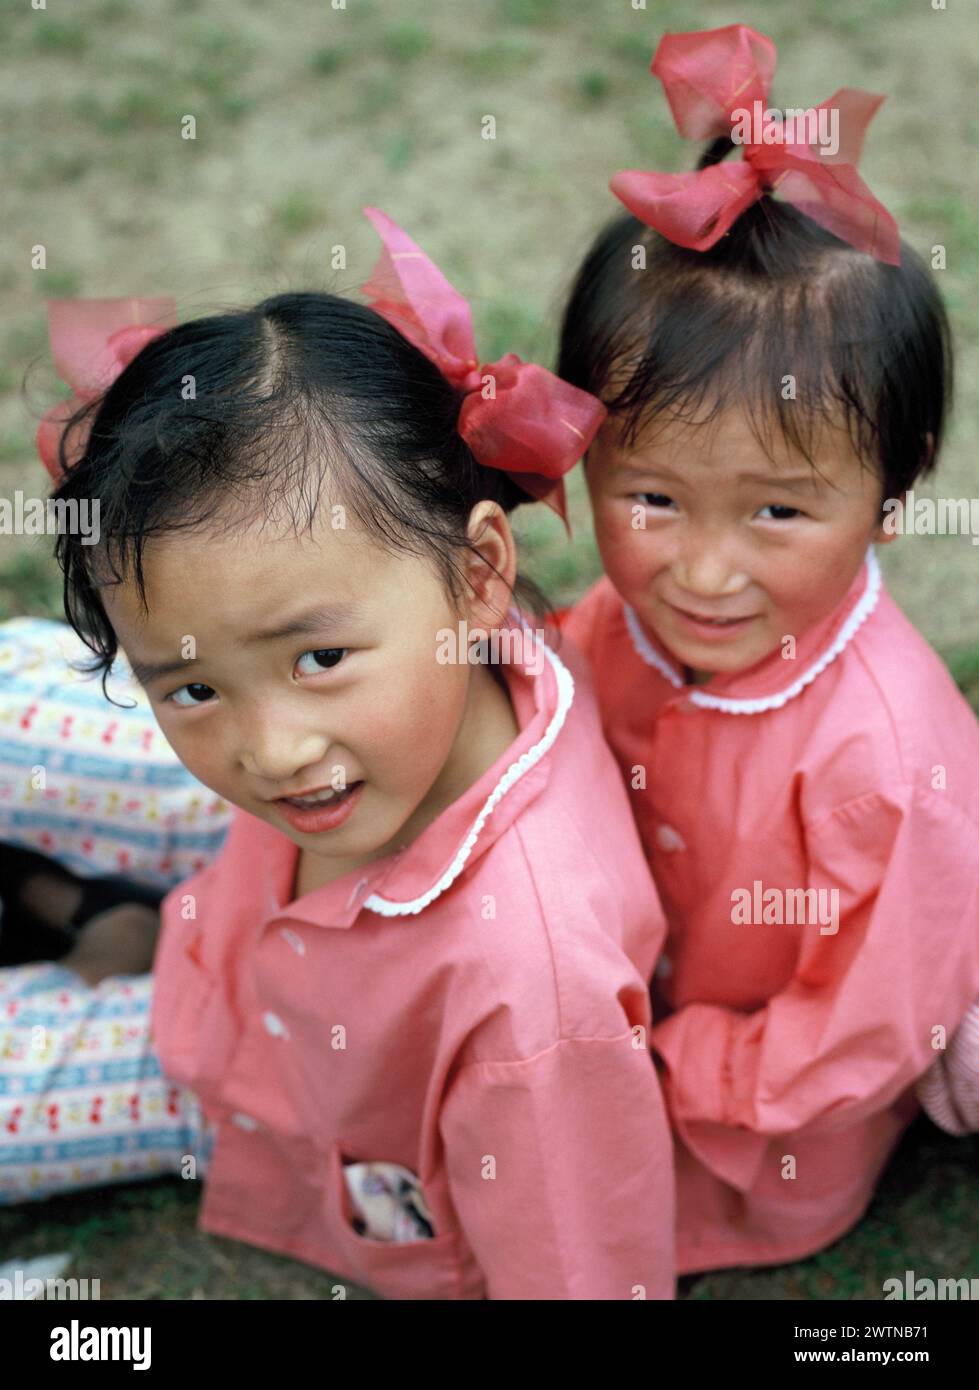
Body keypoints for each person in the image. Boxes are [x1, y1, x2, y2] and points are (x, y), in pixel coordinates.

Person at [1, 208, 677, 1301]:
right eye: (192, 684)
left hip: (249, 1073)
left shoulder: (527, 990)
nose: (269, 747)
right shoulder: (401, 690)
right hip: (239, 882)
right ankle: (96, 914)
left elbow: (578, 1267)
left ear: (479, 575)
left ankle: (85, 920)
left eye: (317, 655)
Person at [557, 24, 979, 1275]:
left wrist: (664, 1059)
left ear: (891, 500)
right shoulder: (612, 623)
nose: (699, 571)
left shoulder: (892, 762)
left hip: (756, 1127)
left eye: (777, 511)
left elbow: (865, 1026)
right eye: (650, 500)